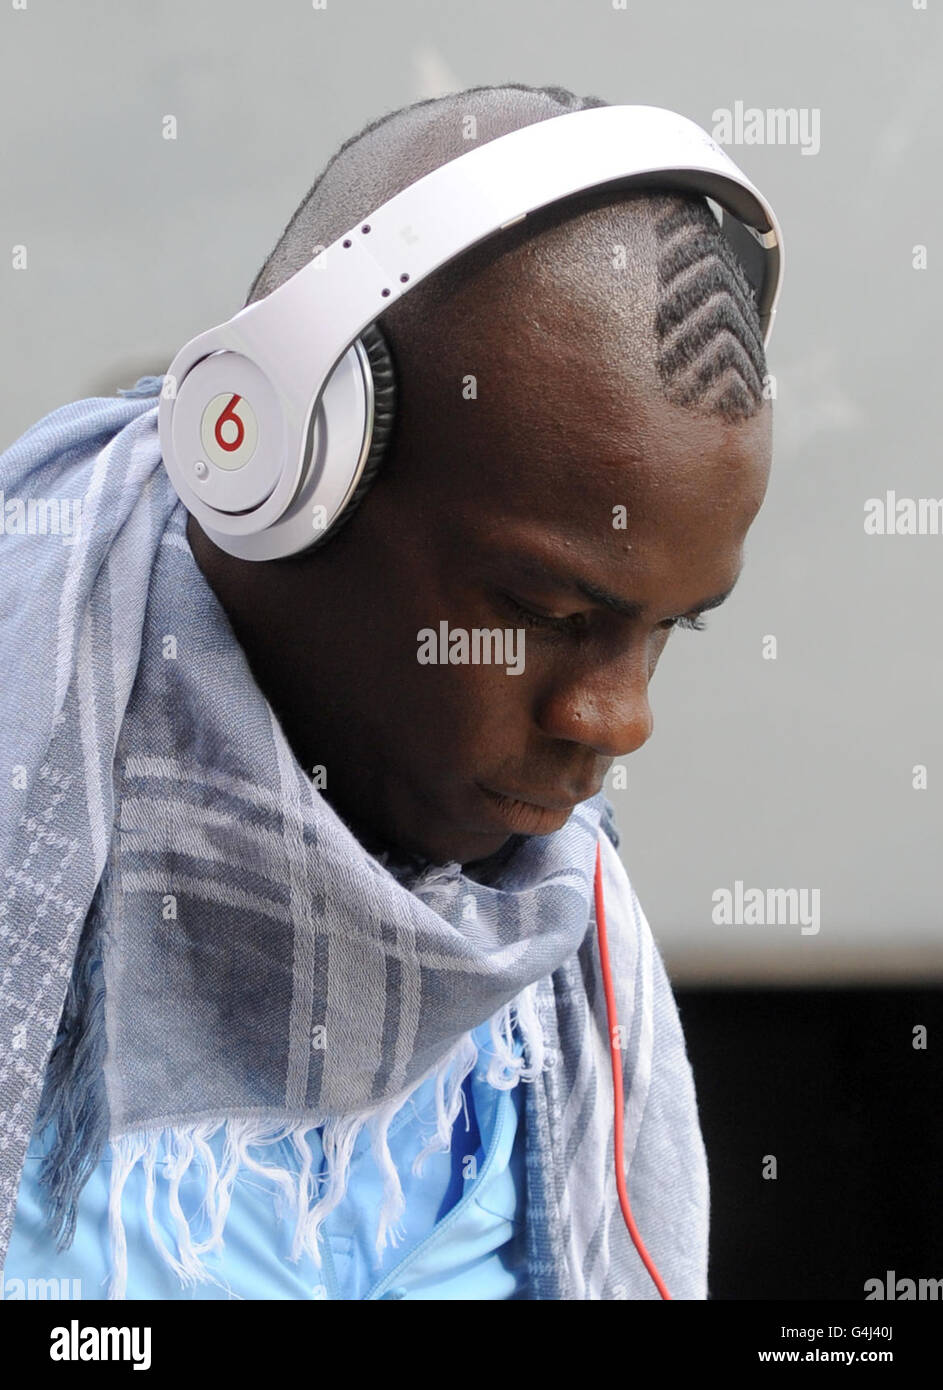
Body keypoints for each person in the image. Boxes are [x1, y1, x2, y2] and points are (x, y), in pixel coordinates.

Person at [0, 81, 773, 1300]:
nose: (617, 721)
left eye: (666, 630)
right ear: (269, 469)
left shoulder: (559, 961)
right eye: (554, 617)